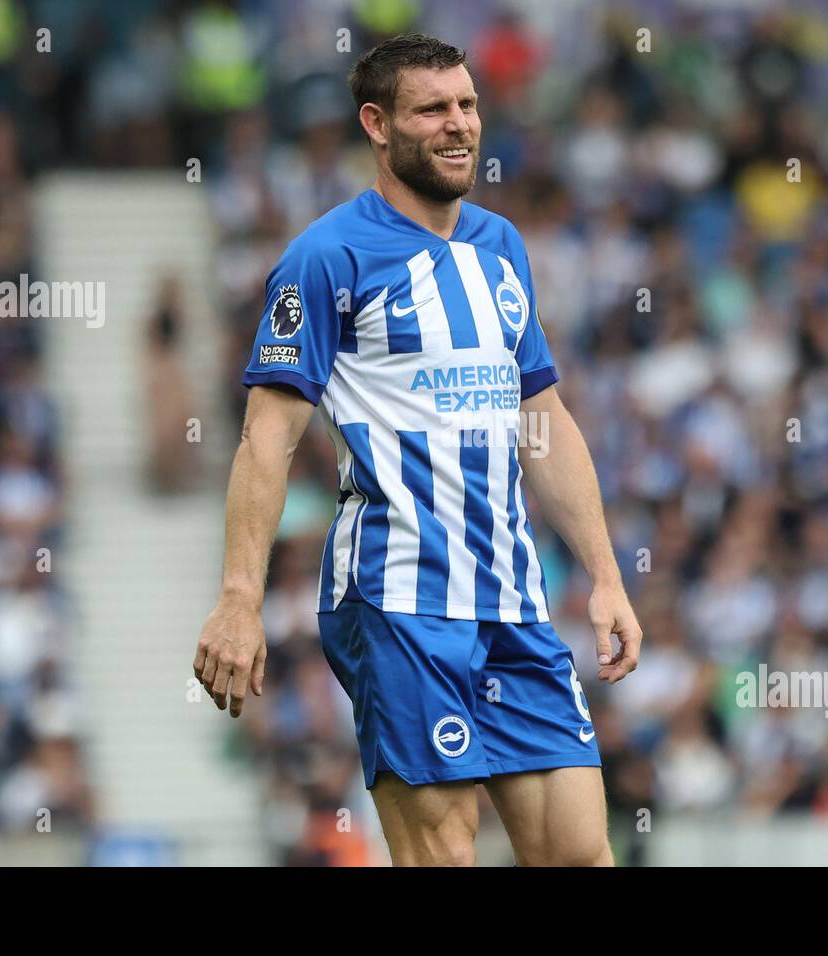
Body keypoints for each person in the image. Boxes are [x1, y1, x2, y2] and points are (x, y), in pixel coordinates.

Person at [193, 33, 642, 866]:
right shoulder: (327, 256)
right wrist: (237, 597)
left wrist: (607, 576)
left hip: (512, 598)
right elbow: (266, 438)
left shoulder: (501, 248)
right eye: (432, 109)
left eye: (467, 104)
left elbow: (543, 417)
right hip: (397, 597)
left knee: (580, 853)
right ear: (377, 125)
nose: (459, 124)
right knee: (445, 853)